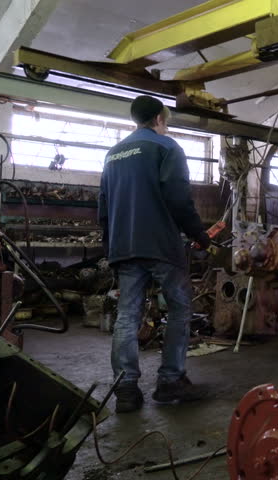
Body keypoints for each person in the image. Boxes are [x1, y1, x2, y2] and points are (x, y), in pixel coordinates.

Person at [99, 95, 211, 413]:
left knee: (127, 316)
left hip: (124, 247)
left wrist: (111, 249)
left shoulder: (112, 155)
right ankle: (170, 381)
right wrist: (199, 235)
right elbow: (179, 198)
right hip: (160, 245)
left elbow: (103, 207)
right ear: (160, 118)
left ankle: (126, 390)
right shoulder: (167, 147)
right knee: (178, 310)